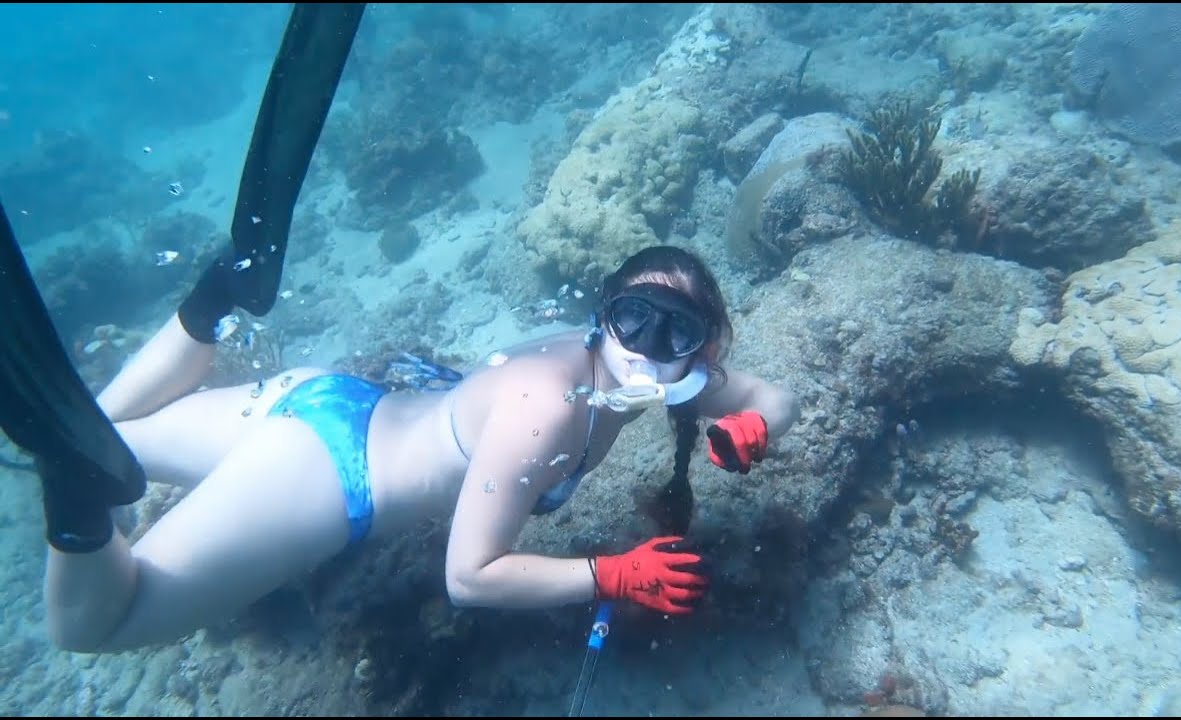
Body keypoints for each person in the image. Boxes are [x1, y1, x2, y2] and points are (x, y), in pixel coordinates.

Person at [38, 243, 799, 654]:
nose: (648, 352)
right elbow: (470, 577)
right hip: (327, 476)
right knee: (92, 628)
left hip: (331, 397)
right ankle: (73, 511)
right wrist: (611, 575)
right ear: (605, 316)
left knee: (109, 442)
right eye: (636, 320)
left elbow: (775, 396)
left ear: (704, 349)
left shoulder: (655, 375)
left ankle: (209, 299)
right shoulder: (547, 410)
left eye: (677, 334)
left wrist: (756, 426)